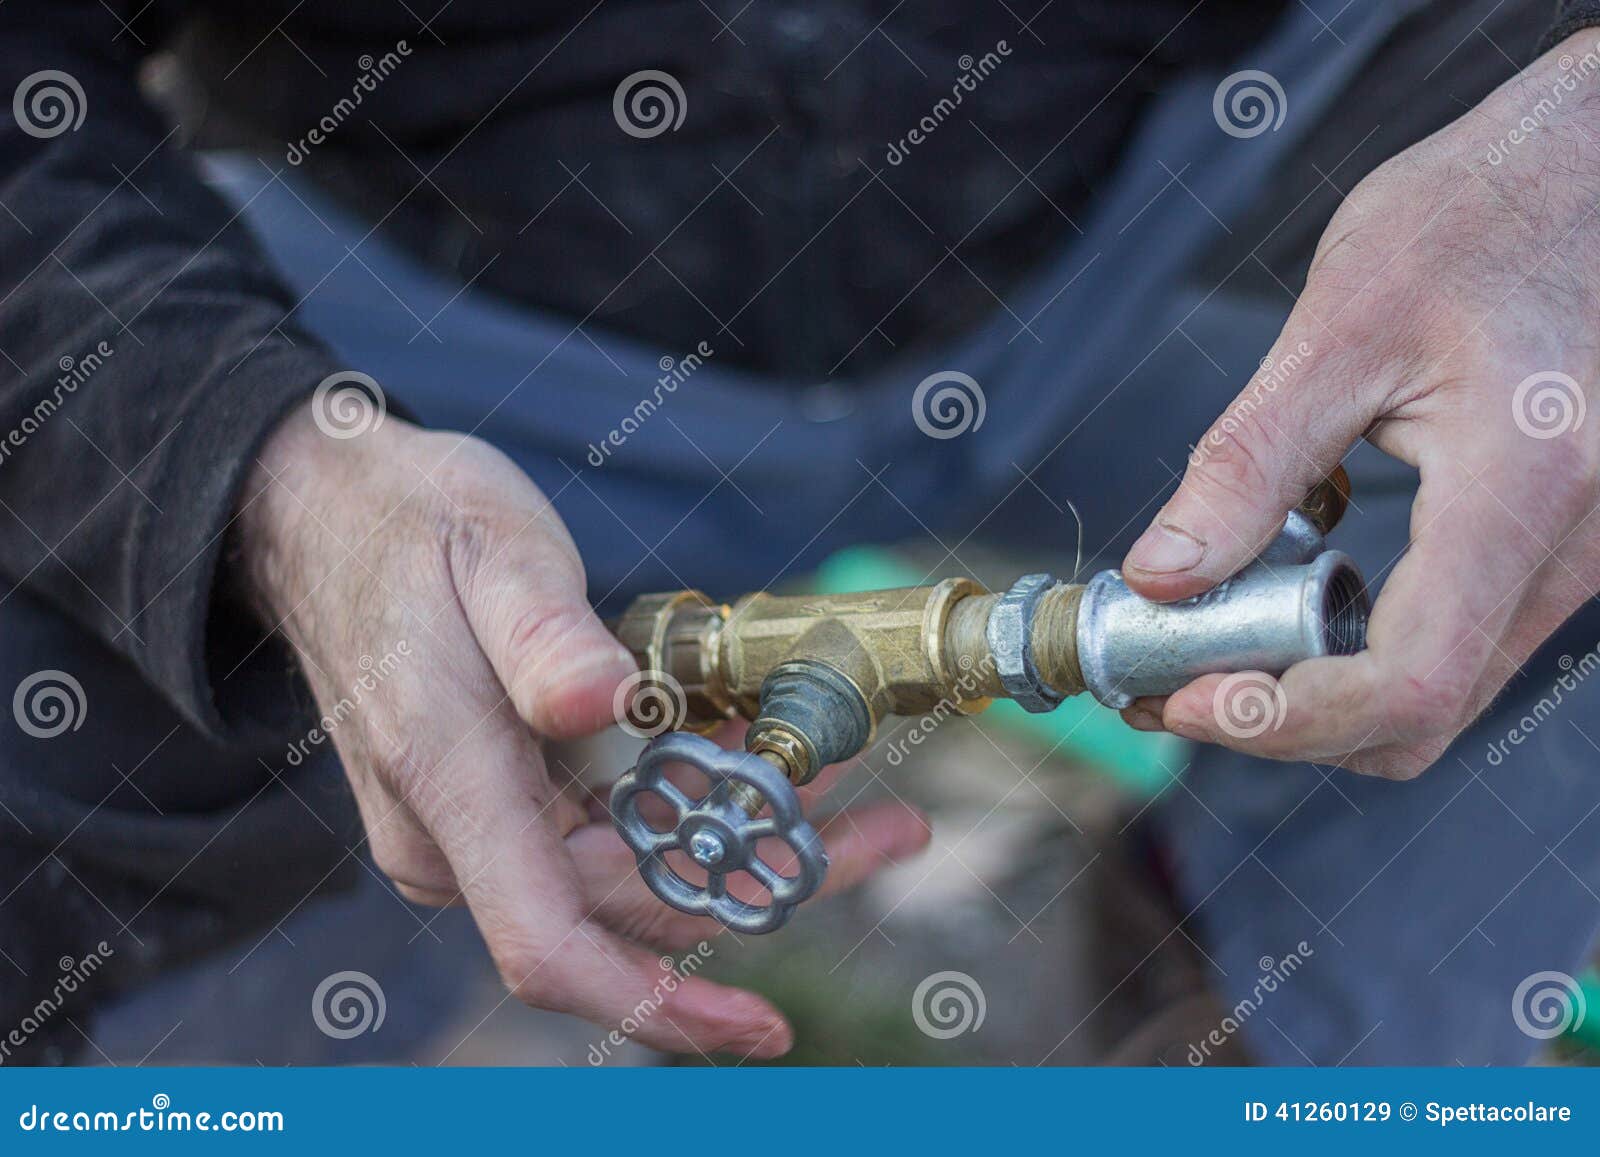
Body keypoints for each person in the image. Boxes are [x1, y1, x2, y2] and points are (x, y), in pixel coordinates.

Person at [2, 0, 1598, 1065]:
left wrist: (1576, 150)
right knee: (92, 657)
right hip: (395, 311)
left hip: (1197, 197)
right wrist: (263, 481)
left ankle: (1270, 1030)